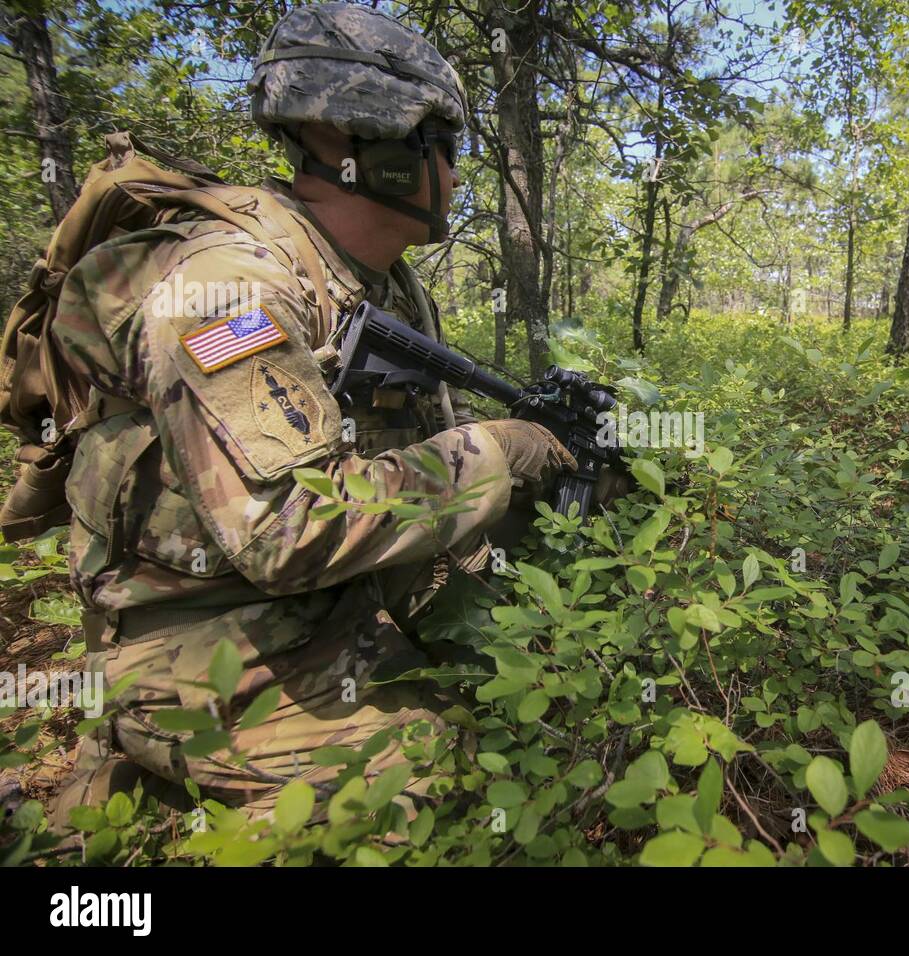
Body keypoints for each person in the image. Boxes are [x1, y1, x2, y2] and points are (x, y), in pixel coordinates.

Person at [49, 2, 575, 824]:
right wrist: (503, 451)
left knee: (527, 653)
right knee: (437, 778)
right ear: (390, 152)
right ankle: (142, 768)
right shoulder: (227, 290)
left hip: (326, 599)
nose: (459, 174)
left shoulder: (379, 283)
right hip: (195, 634)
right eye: (447, 149)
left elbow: (416, 450)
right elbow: (284, 529)